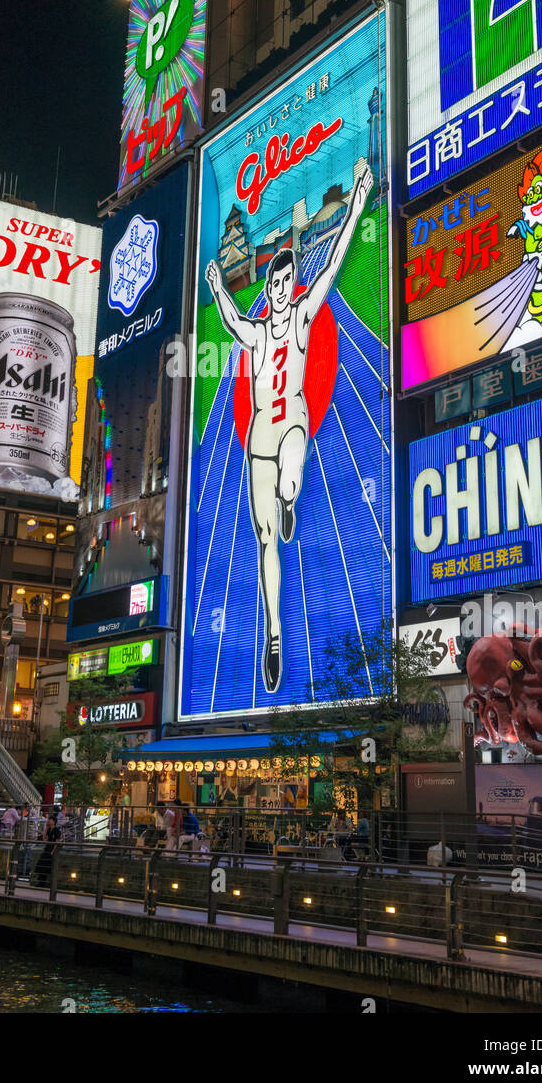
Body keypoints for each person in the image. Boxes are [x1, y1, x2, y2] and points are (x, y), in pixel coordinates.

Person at [205, 160, 373, 692]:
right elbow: (233, 322)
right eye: (274, 284)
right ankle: (275, 634)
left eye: (284, 282)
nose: (279, 291)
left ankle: (291, 495)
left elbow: (334, 263)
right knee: (263, 542)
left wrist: (361, 199)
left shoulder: (301, 318)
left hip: (294, 423)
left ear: (289, 286)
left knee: (291, 478)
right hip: (259, 436)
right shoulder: (256, 333)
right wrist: (216, 287)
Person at [33, 815, 61, 887]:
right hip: (47, 848)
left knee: (47, 866)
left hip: (51, 850)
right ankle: (41, 881)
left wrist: (53, 851)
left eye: (50, 820)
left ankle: (45, 882)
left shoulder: (57, 831)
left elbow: (57, 842)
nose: (49, 821)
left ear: (54, 821)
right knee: (42, 864)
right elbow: (44, 838)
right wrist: (46, 828)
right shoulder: (49, 829)